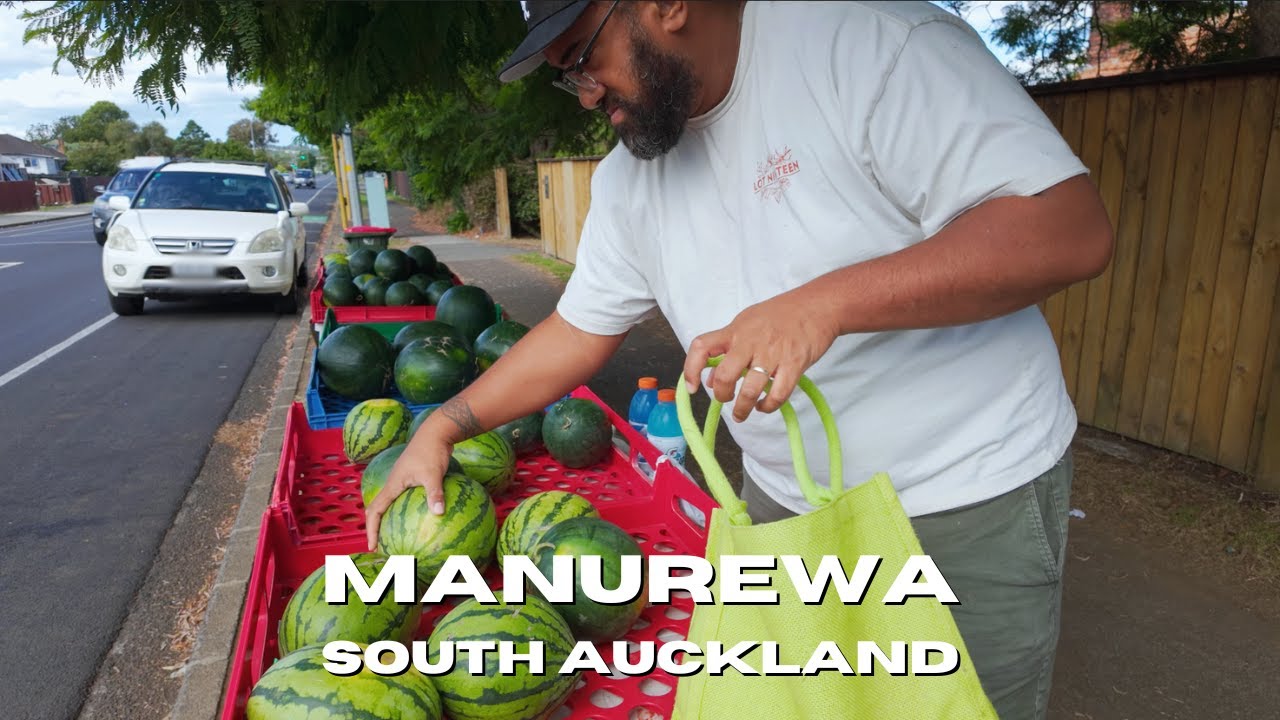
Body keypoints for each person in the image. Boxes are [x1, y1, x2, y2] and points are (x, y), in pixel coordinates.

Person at [366, 2, 1114, 717]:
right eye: (570, 76)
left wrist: (822, 303)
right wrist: (445, 426)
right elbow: (576, 330)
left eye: (586, 59)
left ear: (667, 4)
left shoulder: (872, 46)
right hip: (783, 508)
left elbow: (1066, 231)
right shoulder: (631, 178)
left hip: (961, 501)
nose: (587, 97)